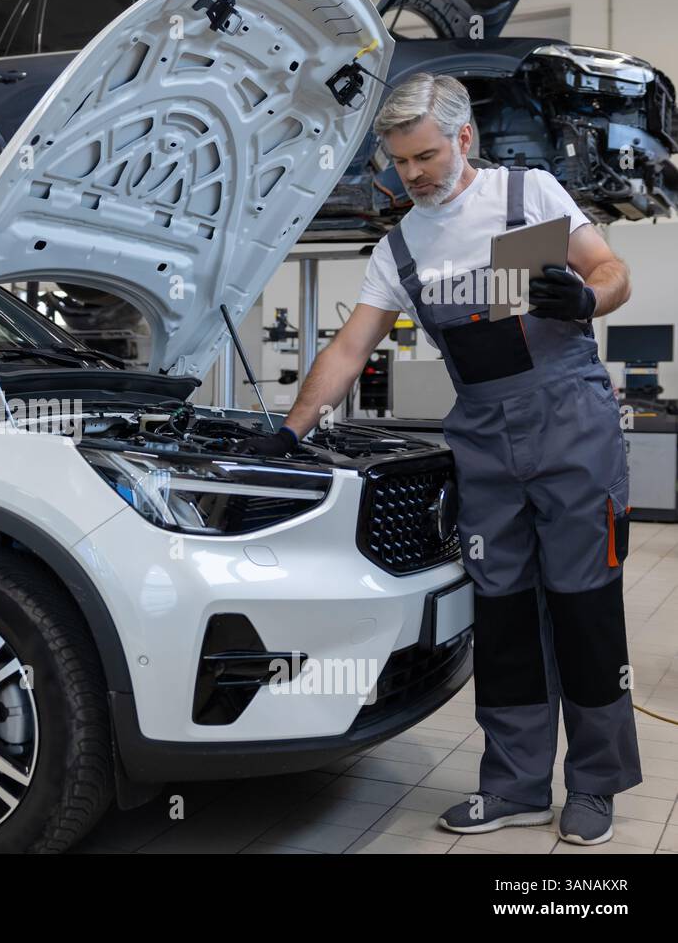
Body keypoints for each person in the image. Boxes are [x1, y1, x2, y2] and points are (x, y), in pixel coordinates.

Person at [249, 73, 642, 845]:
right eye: (400, 163)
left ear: (463, 139)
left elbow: (613, 272)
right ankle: (516, 786)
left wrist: (589, 299)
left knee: (585, 610)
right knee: (502, 620)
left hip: (572, 433)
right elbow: (349, 347)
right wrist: (291, 430)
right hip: (486, 447)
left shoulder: (529, 198)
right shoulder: (401, 246)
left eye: (426, 156)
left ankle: (593, 785)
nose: (415, 175)